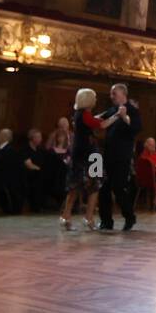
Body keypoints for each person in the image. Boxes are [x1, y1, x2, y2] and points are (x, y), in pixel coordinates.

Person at [97, 83, 141, 231]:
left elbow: (135, 129)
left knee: (118, 188)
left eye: (113, 94)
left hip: (122, 157)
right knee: (103, 188)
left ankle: (130, 217)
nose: (111, 96)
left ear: (123, 94)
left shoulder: (133, 111)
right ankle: (106, 221)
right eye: (111, 94)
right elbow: (99, 121)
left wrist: (124, 117)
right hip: (108, 155)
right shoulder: (111, 110)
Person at [61, 89, 103, 230]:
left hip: (84, 154)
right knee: (93, 186)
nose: (96, 100)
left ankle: (66, 217)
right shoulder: (84, 115)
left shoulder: (81, 115)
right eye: (94, 97)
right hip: (89, 155)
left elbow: (95, 121)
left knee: (76, 187)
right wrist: (116, 116)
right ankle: (88, 218)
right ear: (89, 100)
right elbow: (101, 124)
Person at [0, 128, 24, 214]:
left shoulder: (8, 151)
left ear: (4, 138)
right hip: (2, 178)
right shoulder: (2, 150)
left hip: (2, 180)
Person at [20, 128, 48, 213]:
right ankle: (35, 206)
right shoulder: (25, 149)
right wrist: (39, 169)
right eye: (38, 137)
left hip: (38, 173)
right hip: (28, 174)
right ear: (32, 138)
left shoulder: (40, 150)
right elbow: (28, 164)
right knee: (38, 177)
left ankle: (41, 204)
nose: (40, 139)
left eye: (40, 137)